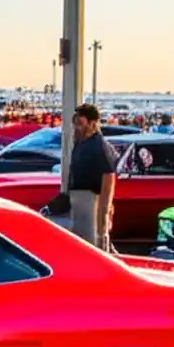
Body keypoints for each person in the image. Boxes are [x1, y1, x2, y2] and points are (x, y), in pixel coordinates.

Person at [68, 103, 117, 250]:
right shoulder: (80, 143)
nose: (77, 127)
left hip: (92, 203)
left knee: (93, 247)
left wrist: (102, 220)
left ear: (92, 123)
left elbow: (108, 180)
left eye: (81, 123)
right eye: (75, 124)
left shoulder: (99, 146)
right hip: (79, 203)